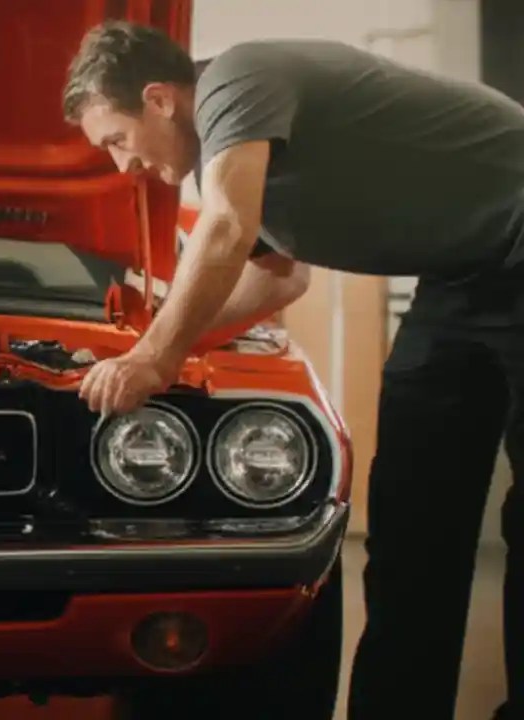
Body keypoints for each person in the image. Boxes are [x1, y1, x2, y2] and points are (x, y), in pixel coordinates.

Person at [62, 20, 524, 720]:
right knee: (411, 516)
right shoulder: (235, 154)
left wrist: (155, 356)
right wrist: (145, 340)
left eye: (116, 141)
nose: (122, 166)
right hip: (461, 272)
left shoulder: (238, 81)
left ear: (159, 99)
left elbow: (224, 230)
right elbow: (277, 284)